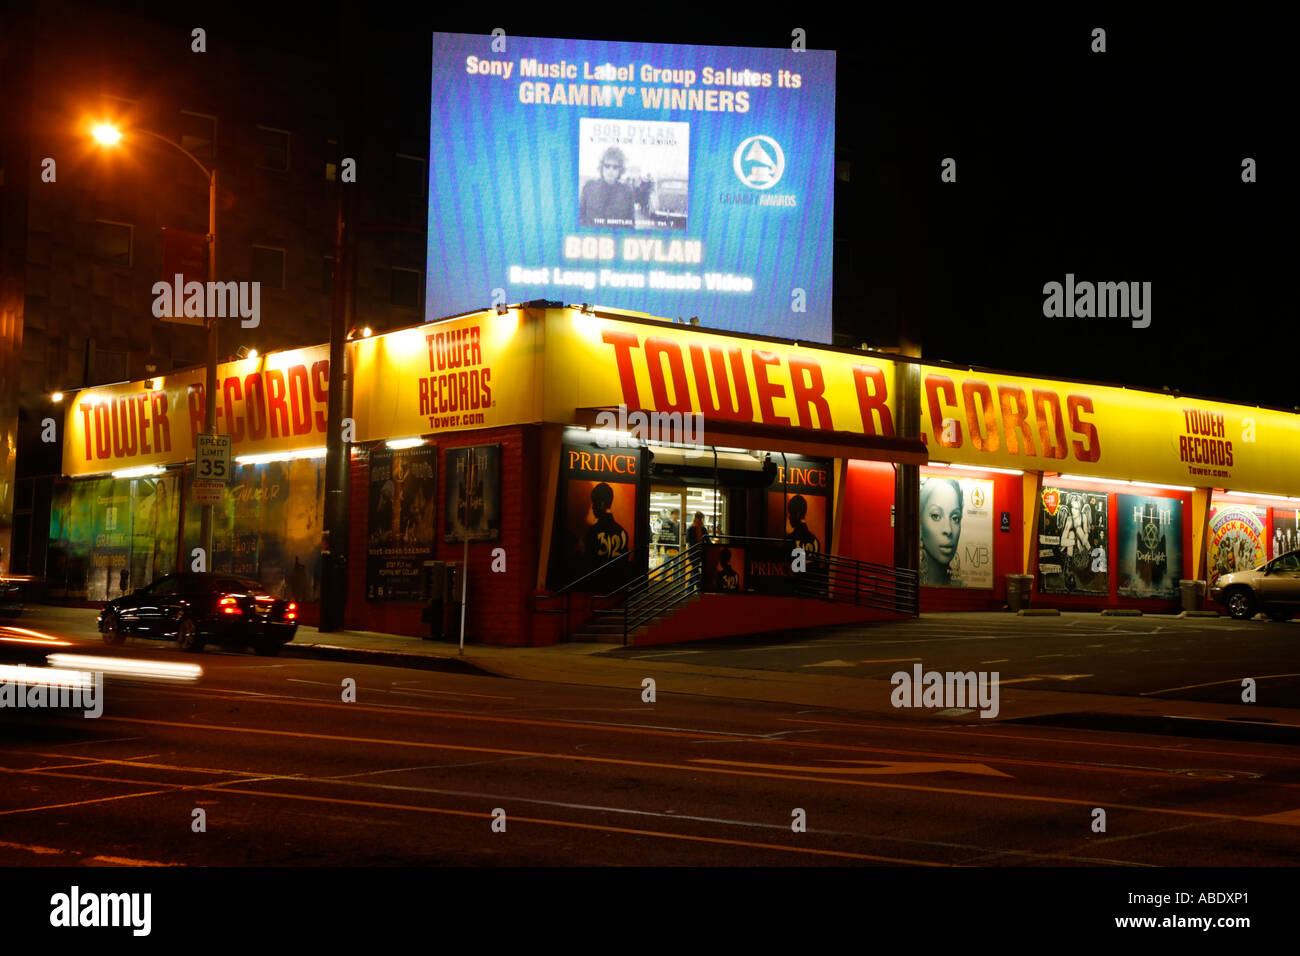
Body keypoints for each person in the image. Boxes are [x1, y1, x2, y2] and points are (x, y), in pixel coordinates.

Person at [919, 478, 962, 586]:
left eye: (955, 518)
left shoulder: (962, 587)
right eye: (936, 516)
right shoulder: (909, 585)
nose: (948, 530)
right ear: (920, 522)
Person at [579, 147, 636, 227]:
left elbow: (630, 224)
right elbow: (580, 218)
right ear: (601, 167)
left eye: (615, 167)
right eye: (607, 166)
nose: (610, 170)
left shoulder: (627, 192)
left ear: (620, 170)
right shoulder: (589, 188)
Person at [584, 482, 629, 563]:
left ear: (601, 504)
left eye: (594, 503)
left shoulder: (593, 532)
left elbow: (588, 562)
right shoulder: (623, 532)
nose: (592, 507)